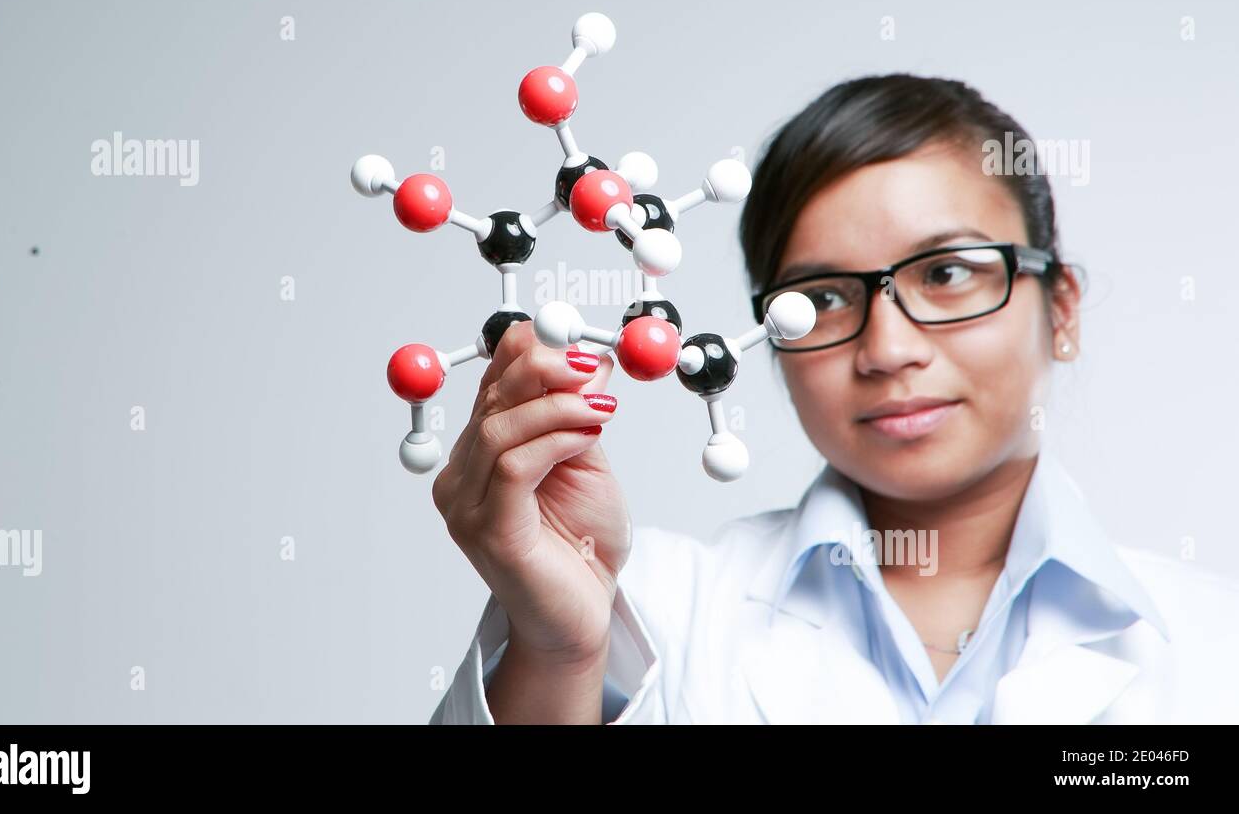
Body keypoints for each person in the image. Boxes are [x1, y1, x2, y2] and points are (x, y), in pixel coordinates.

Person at [427, 74, 1239, 724]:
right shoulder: (650, 611)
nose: (887, 350)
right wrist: (559, 651)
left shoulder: (1216, 643)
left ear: (1059, 310)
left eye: (947, 274)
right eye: (819, 299)